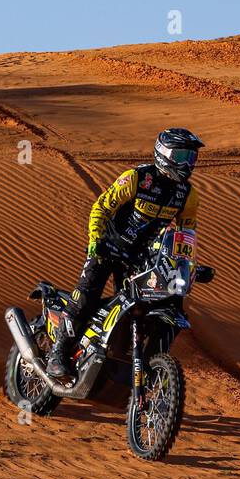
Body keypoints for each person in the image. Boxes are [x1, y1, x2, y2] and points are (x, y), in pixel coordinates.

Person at [46, 128, 203, 379]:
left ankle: (139, 366)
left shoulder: (187, 194)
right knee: (86, 296)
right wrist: (96, 240)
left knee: (149, 306)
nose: (188, 163)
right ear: (164, 153)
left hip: (140, 258)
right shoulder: (137, 178)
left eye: (192, 157)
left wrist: (188, 263)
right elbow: (102, 207)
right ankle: (58, 354)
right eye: (183, 155)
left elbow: (186, 233)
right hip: (108, 246)